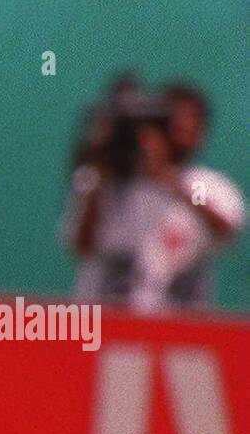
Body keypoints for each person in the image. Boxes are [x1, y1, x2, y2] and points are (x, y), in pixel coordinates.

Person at [65, 82, 244, 314]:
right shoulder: (100, 183)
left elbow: (224, 227)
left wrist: (167, 179)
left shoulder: (201, 185)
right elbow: (81, 243)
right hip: (102, 322)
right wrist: (103, 168)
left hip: (176, 329)